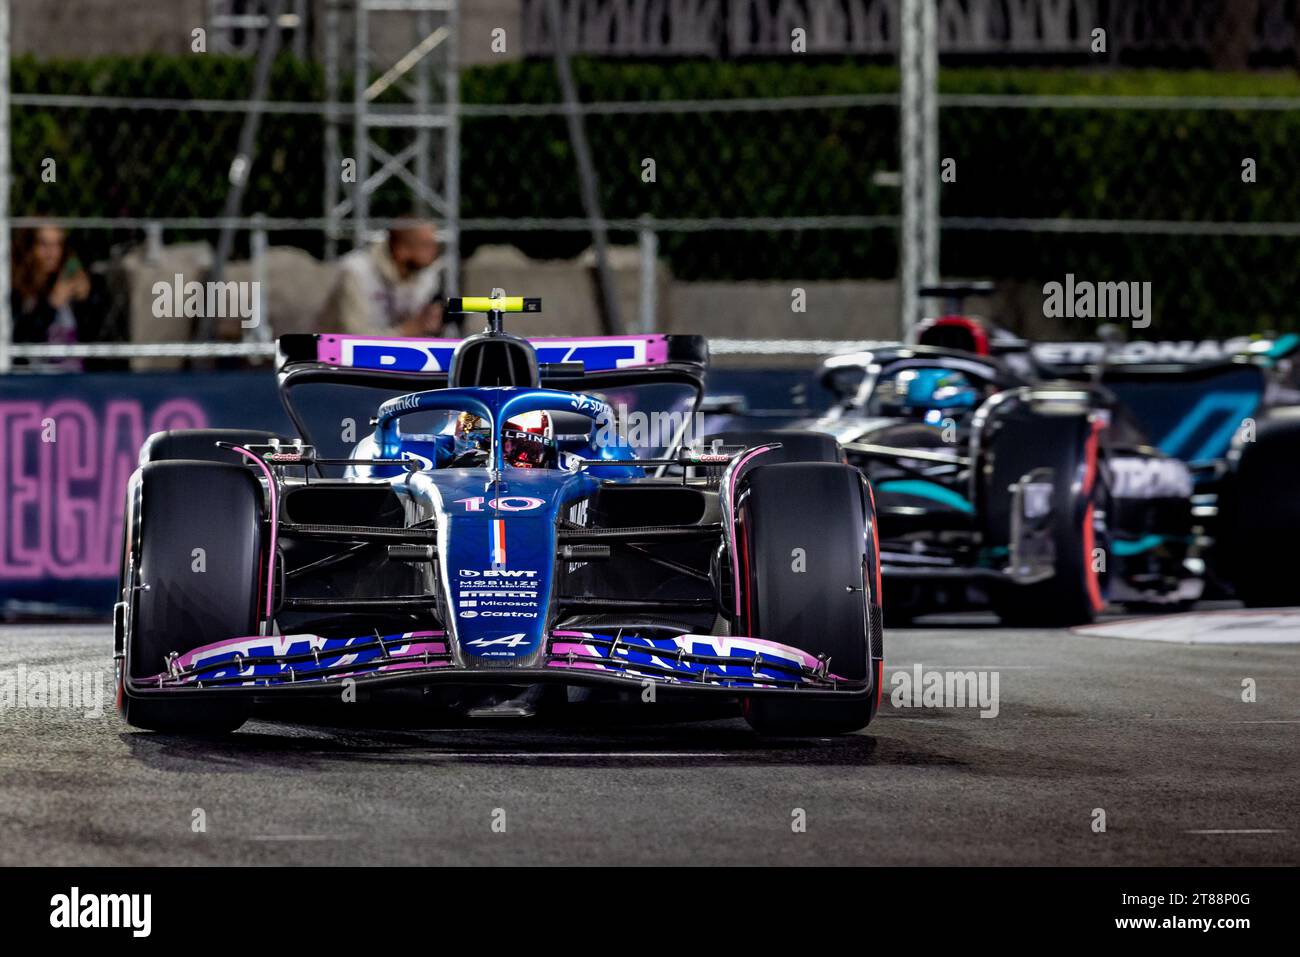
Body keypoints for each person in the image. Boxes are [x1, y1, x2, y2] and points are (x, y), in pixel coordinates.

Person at [317, 217, 456, 338]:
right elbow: (353, 336)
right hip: (334, 359)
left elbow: (421, 326)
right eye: (426, 245)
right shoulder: (356, 272)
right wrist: (407, 331)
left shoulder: (427, 275)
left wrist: (431, 323)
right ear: (401, 249)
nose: (435, 250)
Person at [10, 223, 109, 370]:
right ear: (29, 248)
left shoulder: (68, 283)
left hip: (75, 379)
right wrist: (51, 305)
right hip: (32, 379)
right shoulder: (17, 290)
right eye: (44, 244)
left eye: (57, 245)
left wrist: (87, 300)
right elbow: (19, 343)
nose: (52, 253)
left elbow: (98, 342)